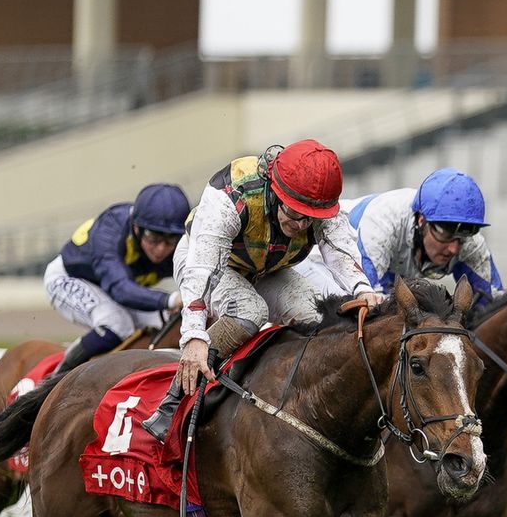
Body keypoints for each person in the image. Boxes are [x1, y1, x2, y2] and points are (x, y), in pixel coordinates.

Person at [141, 140, 377, 441]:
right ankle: (172, 399)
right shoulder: (230, 196)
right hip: (206, 262)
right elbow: (202, 271)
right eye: (295, 212)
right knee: (250, 310)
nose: (301, 223)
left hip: (265, 268)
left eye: (311, 217)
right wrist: (194, 336)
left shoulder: (317, 205)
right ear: (276, 190)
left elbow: (340, 250)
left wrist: (363, 289)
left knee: (318, 318)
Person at [45, 182, 191, 374]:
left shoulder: (183, 242)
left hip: (121, 288)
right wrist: (171, 299)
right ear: (136, 228)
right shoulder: (110, 230)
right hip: (69, 277)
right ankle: (54, 381)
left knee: (169, 321)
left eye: (171, 240)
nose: (161, 249)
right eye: (153, 238)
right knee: (118, 324)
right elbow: (120, 289)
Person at [306, 167, 504, 307]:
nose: (454, 249)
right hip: (320, 262)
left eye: (462, 238)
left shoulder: (470, 242)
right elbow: (367, 302)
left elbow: (494, 307)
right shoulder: (383, 222)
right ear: (421, 220)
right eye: (445, 234)